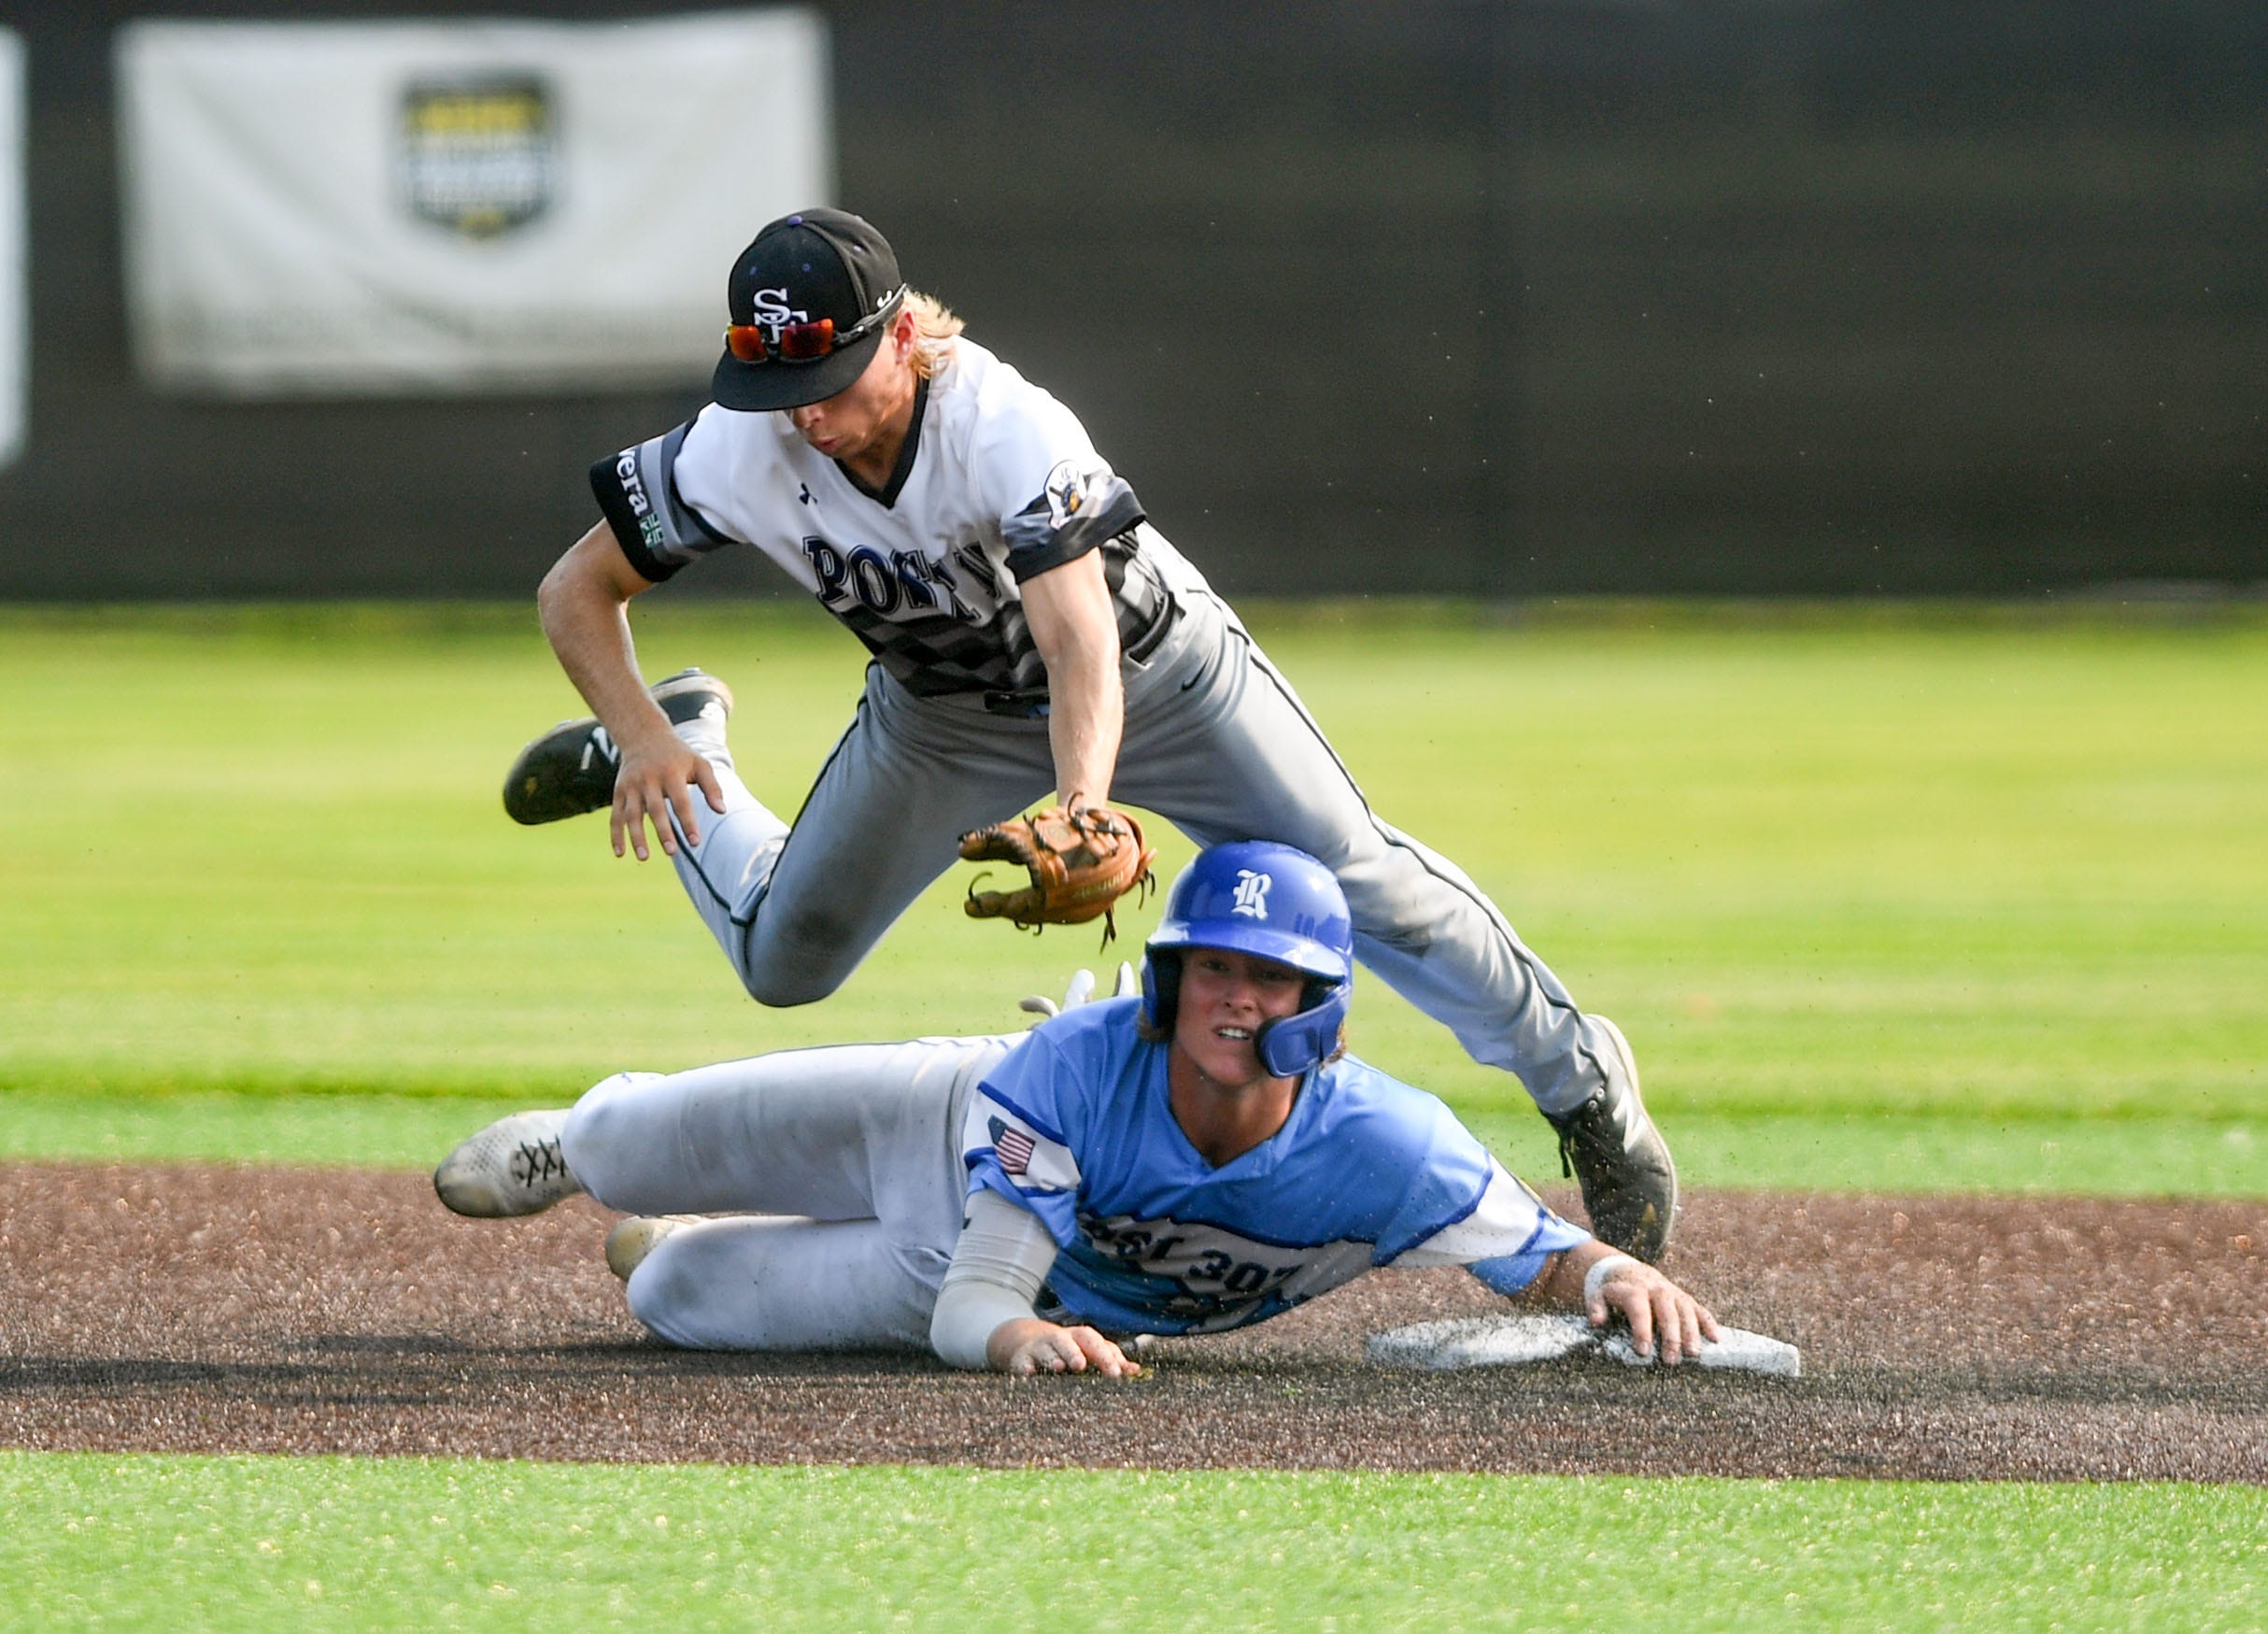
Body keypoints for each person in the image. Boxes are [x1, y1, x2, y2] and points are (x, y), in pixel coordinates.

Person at [504, 206, 1679, 1260]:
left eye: (833, 374)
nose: (806, 412)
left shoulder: (1006, 427)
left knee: (1362, 882)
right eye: (782, 382)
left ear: (905, 338)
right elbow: (576, 590)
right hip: (939, 721)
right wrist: (640, 726)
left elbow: (1078, 647)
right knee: (783, 965)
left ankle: (1580, 1085)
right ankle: (689, 742)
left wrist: (1081, 801)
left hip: (1160, 682)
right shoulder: (738, 442)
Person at [434, 844, 1718, 1372]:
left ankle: (673, 1243)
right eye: (1211, 964)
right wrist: (1008, 1342)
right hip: (939, 1119)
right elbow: (976, 1309)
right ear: (1168, 979)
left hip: (970, 1268)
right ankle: (589, 1141)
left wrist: (1616, 1278)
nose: (1233, 996)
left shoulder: (1386, 1146)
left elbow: (1540, 1255)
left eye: (1269, 976)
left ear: (1324, 1006)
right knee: (639, 1142)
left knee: (672, 1303)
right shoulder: (1075, 1069)